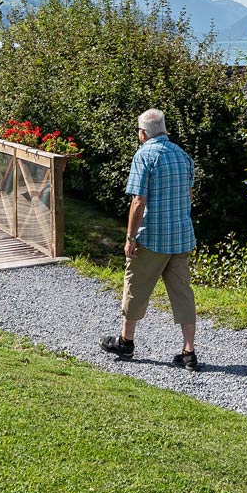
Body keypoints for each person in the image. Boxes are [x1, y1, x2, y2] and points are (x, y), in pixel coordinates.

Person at [101, 108, 200, 369]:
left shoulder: (144, 155)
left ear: (143, 133)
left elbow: (138, 200)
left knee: (136, 286)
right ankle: (189, 352)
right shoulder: (183, 155)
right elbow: (188, 195)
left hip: (153, 237)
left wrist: (130, 237)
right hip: (181, 236)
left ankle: (126, 342)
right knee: (182, 293)